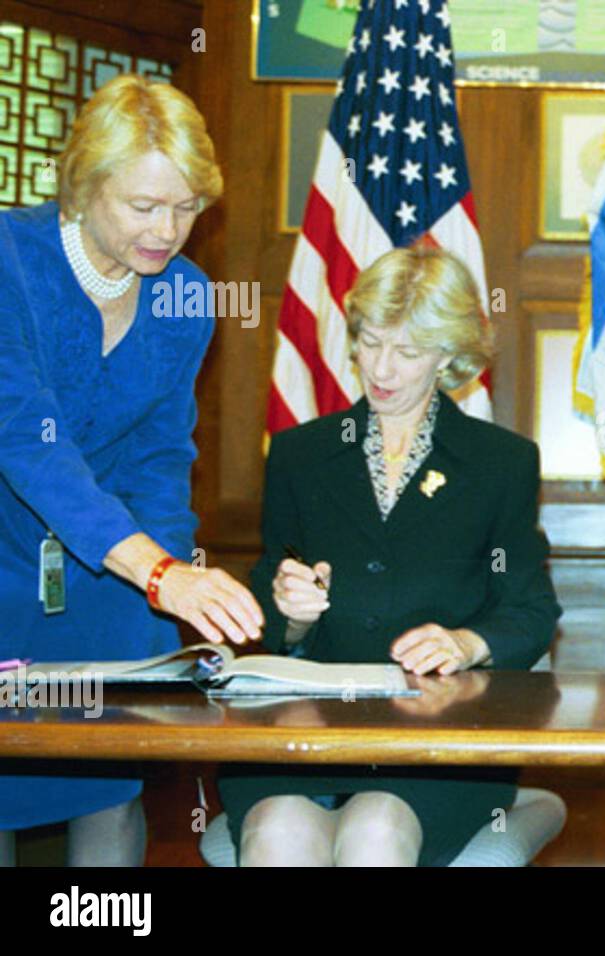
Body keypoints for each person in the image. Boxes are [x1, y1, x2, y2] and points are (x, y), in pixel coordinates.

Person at [218, 246, 562, 866]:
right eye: (369, 342)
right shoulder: (299, 454)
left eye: (406, 352)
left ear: (449, 355)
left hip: (438, 739)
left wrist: (466, 642)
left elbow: (531, 609)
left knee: (376, 827)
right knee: (278, 831)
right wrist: (291, 612)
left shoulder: (499, 463)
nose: (380, 368)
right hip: (304, 729)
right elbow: (271, 592)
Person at [0, 75, 263, 867]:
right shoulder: (10, 259)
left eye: (186, 208)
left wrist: (174, 573)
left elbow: (160, 458)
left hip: (110, 579)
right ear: (83, 187)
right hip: (12, 561)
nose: (168, 230)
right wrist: (156, 573)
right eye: (143, 206)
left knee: (109, 792)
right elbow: (25, 442)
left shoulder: (187, 295)